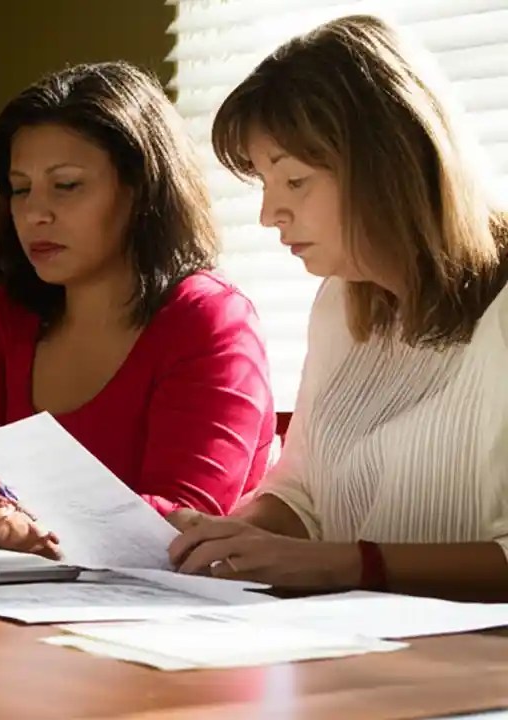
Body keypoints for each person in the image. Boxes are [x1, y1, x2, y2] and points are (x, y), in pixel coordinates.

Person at [168, 15, 508, 601]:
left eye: (295, 181)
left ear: (390, 166)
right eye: (265, 184)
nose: (269, 213)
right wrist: (226, 538)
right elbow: (303, 496)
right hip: (356, 655)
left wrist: (351, 565)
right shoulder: (341, 303)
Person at [0, 61, 277, 557]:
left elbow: (186, 516)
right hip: (19, 605)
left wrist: (32, 526)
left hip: (171, 620)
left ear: (141, 189)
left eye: (66, 185)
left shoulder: (211, 320)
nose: (35, 213)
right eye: (20, 189)